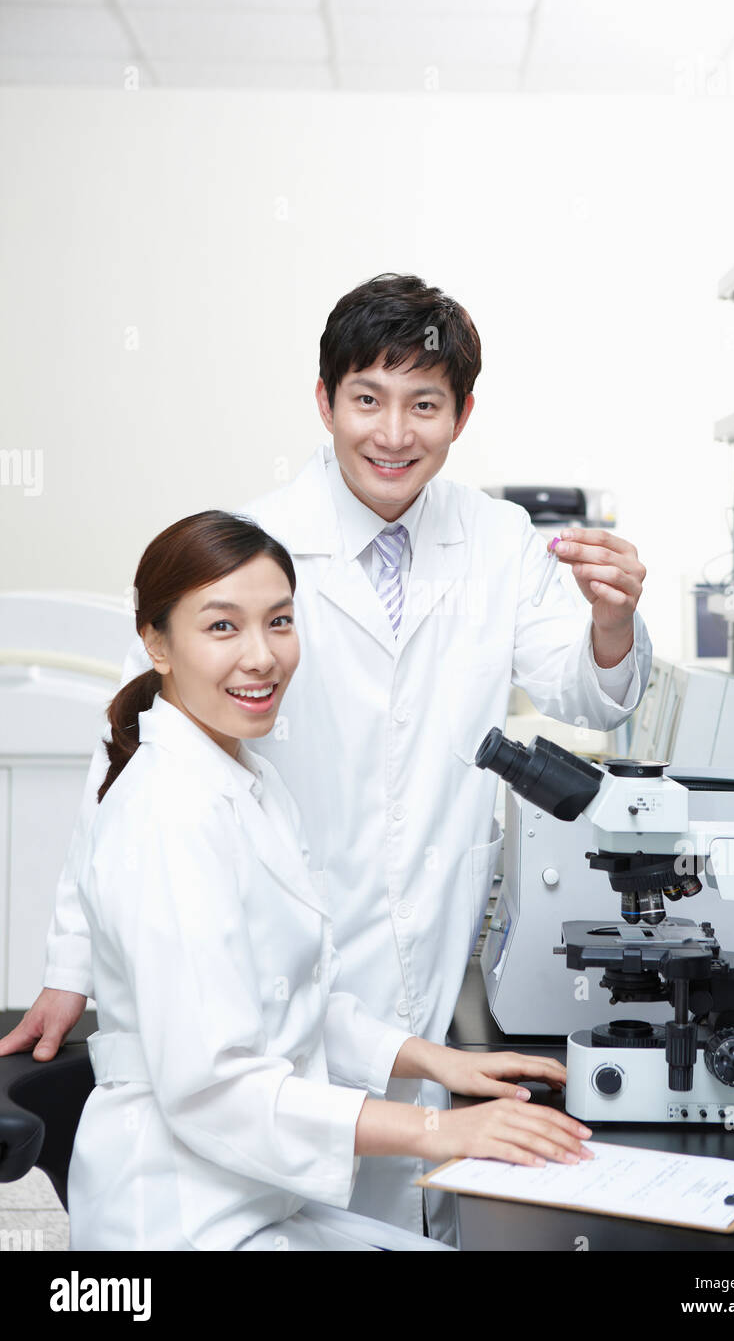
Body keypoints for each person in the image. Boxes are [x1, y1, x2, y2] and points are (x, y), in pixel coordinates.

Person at [1, 273, 651, 1241]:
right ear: (324, 401)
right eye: (366, 398)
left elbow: (580, 686)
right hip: (260, 994)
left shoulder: (496, 540)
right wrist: (71, 958)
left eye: (423, 403)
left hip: (388, 958)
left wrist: (610, 620)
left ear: (460, 415)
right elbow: (129, 750)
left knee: (397, 1198)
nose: (392, 432)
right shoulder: (254, 549)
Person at [68, 511, 593, 1251]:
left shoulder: (242, 780)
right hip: (181, 1214)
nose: (262, 657)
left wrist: (440, 1061)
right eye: (223, 628)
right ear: (156, 643)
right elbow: (215, 1089)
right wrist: (442, 1128)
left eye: (280, 622)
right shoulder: (169, 817)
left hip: (254, 1198)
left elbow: (295, 1000)